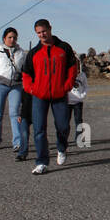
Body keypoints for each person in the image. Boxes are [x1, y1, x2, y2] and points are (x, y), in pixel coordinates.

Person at [20, 18, 77, 175]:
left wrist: (67, 86)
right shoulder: (33, 53)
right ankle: (42, 162)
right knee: (39, 130)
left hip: (59, 95)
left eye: (44, 31)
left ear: (50, 29)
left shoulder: (64, 48)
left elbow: (73, 67)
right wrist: (32, 89)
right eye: (38, 33)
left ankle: (61, 147)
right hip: (40, 96)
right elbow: (26, 74)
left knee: (63, 126)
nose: (42, 35)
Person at [0, 28, 26, 151]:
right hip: (0, 85)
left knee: (15, 113)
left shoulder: (21, 53)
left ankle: (17, 142)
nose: (12, 40)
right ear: (4, 38)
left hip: (16, 85)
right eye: (10, 37)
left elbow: (25, 69)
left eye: (14, 38)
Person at [68, 57, 88, 149]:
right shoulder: (66, 73)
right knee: (65, 122)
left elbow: (85, 86)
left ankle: (78, 138)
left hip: (78, 102)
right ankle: (64, 139)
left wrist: (82, 95)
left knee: (78, 120)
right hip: (67, 101)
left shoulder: (82, 75)